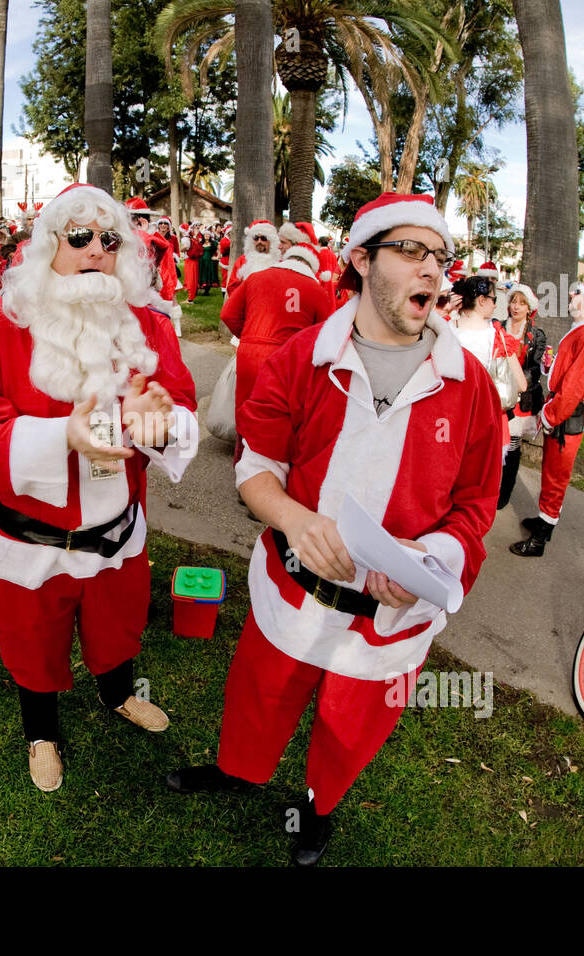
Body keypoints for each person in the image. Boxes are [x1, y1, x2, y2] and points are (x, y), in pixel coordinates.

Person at [166, 192, 502, 866]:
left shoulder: (473, 387)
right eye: (411, 251)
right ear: (360, 258)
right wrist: (292, 518)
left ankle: (318, 808)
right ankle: (239, 770)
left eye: (439, 257)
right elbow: (256, 465)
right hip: (291, 593)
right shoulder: (300, 359)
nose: (432, 271)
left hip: (386, 622)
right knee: (259, 697)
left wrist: (430, 561)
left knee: (350, 729)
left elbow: (476, 506)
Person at [0, 183, 198, 793]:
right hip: (33, 540)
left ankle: (117, 694)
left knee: (117, 630)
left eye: (109, 239)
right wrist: (62, 436)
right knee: (34, 646)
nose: (95, 251)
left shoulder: (148, 327)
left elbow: (181, 403)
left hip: (117, 531)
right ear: (49, 246)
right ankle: (42, 733)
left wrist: (160, 420)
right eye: (79, 237)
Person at [510, 283, 584, 557]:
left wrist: (550, 415)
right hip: (563, 414)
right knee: (552, 473)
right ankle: (543, 522)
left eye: (576, 294)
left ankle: (540, 540)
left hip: (566, 416)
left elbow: (575, 387)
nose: (571, 297)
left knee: (555, 478)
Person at [220, 242, 332, 446]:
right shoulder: (316, 290)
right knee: (279, 418)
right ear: (311, 268)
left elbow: (228, 314)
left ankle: (243, 460)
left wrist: (248, 336)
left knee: (246, 410)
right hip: (290, 360)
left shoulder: (256, 278)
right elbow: (325, 335)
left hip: (251, 353)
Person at [450, 274, 525, 464]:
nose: (495, 305)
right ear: (482, 300)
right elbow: (522, 384)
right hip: (486, 421)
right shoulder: (497, 337)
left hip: (449, 419)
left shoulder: (445, 330)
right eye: (494, 300)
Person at [497, 284, 546, 510]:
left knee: (513, 445)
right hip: (496, 393)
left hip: (520, 398)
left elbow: (535, 369)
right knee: (493, 442)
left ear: (529, 308)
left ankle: (504, 492)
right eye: (513, 301)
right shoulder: (497, 327)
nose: (515, 307)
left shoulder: (536, 335)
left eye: (521, 303)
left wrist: (515, 383)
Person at [223, 220, 280, 299]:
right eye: (256, 238)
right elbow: (232, 287)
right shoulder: (243, 260)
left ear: (271, 241)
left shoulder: (278, 261)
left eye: (264, 238)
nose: (259, 241)